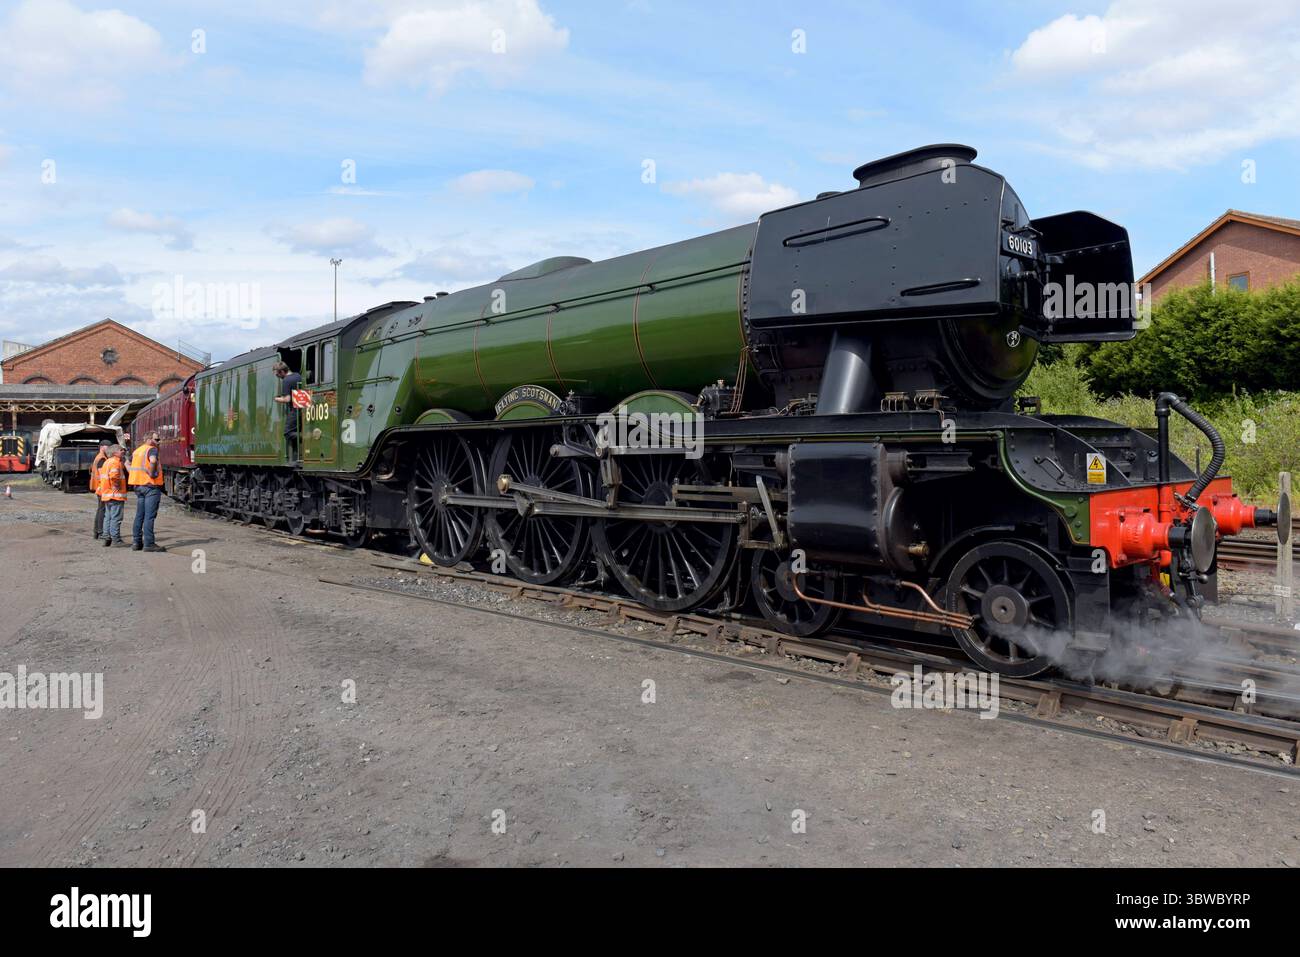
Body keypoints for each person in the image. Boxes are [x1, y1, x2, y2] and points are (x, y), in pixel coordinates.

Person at [127, 430, 165, 552]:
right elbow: (153, 461)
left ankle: (136, 542)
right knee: (149, 516)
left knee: (140, 515)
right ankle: (149, 544)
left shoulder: (137, 451)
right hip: (150, 487)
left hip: (138, 486)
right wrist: (152, 473)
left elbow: (127, 463)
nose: (158, 442)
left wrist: (132, 473)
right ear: (149, 439)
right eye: (156, 439)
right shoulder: (151, 449)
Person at [97, 444, 127, 547]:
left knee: (108, 517)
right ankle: (116, 540)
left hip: (107, 494)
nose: (123, 451)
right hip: (115, 495)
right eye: (121, 450)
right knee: (116, 517)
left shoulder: (107, 462)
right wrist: (116, 486)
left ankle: (106, 538)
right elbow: (114, 477)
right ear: (115, 452)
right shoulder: (115, 462)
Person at [272, 361, 302, 461]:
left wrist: (276, 399)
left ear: (282, 372)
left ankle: (307, 437)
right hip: (302, 408)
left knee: (288, 433)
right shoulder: (298, 375)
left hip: (294, 410)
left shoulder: (286, 380)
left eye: (277, 375)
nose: (278, 377)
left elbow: (287, 399)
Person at [89, 440, 110, 540]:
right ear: (102, 447)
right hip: (102, 487)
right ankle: (100, 531)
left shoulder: (100, 457)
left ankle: (97, 532)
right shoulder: (102, 458)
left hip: (98, 487)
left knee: (100, 509)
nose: (109, 449)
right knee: (102, 510)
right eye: (108, 447)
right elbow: (103, 475)